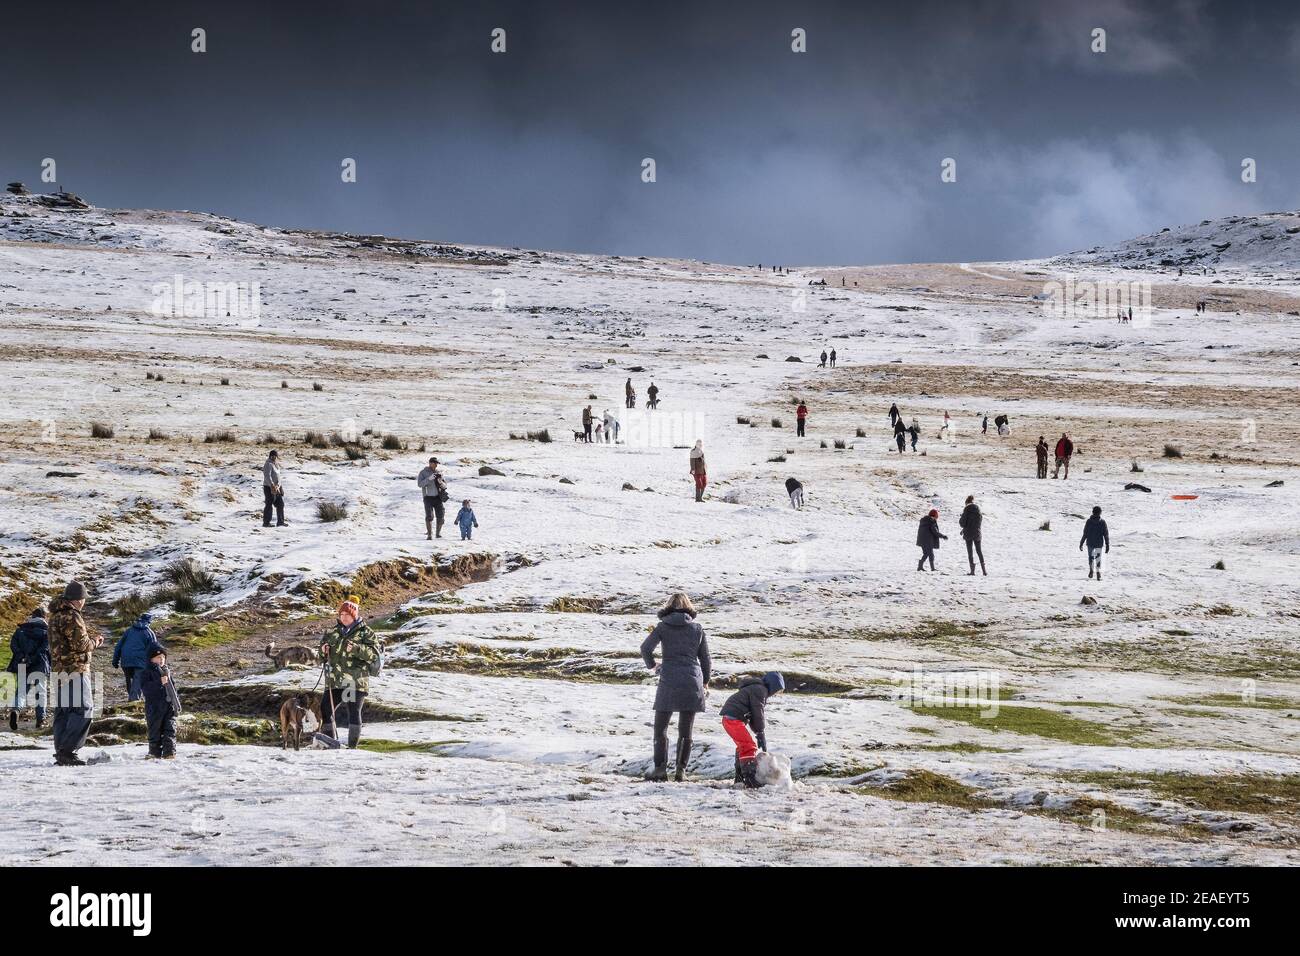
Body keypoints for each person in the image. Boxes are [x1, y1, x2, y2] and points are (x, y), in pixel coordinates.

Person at [639, 593, 711, 782]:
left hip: (669, 679)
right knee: (686, 730)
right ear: (688, 607)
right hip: (692, 680)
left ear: (669, 607)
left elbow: (645, 648)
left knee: (660, 728)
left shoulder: (663, 627)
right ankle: (681, 771)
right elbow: (705, 658)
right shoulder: (697, 629)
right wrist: (705, 682)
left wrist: (653, 666)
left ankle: (660, 770)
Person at [48, 581, 102, 766]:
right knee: (84, 709)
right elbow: (81, 645)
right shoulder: (73, 616)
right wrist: (95, 641)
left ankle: (61, 750)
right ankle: (69, 751)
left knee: (64, 712)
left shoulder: (55, 616)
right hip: (75, 670)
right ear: (79, 600)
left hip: (59, 671)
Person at [318, 597, 381, 749]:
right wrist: (322, 650)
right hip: (334, 680)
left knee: (353, 711)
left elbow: (374, 654)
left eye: (347, 614)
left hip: (354, 681)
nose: (343, 617)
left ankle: (352, 747)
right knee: (325, 709)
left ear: (354, 616)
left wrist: (356, 649)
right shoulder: (332, 632)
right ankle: (330, 743)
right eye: (341, 614)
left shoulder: (366, 632)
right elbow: (321, 655)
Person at [719, 671, 784, 789]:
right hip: (733, 719)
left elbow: (754, 716)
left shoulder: (757, 688)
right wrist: (760, 732)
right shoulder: (760, 690)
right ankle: (750, 780)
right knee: (748, 746)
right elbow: (758, 713)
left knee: (742, 746)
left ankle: (739, 778)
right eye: (777, 690)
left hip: (730, 718)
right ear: (772, 685)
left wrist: (759, 733)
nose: (775, 694)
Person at [6, 606, 49, 730]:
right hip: (39, 664)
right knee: (40, 692)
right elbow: (45, 649)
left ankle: (16, 710)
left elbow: (13, 645)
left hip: (22, 664)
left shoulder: (20, 630)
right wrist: (33, 658)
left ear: (32, 616)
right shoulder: (47, 631)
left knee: (21, 691)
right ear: (44, 617)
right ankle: (41, 720)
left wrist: (22, 657)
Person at [136, 642, 178, 760]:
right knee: (155, 731)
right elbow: (146, 689)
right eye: (158, 657)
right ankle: (154, 753)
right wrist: (159, 682)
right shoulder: (146, 672)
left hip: (169, 706)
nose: (161, 660)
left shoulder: (166, 671)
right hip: (154, 708)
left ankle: (169, 753)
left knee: (170, 729)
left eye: (163, 657)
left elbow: (173, 689)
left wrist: (176, 703)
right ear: (151, 659)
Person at [111, 612, 157, 702]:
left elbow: (118, 646)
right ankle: (134, 701)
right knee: (138, 680)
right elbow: (154, 649)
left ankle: (132, 699)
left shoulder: (129, 630)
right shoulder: (149, 633)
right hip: (140, 661)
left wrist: (115, 660)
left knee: (129, 681)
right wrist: (156, 665)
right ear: (149, 621)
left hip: (126, 660)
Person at [417, 456, 449, 539]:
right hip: (428, 497)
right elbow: (420, 484)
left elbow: (445, 485)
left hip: (438, 497)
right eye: (434, 463)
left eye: (437, 463)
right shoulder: (423, 472)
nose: (436, 465)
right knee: (429, 516)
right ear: (430, 463)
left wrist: (441, 483)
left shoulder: (439, 472)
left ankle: (438, 534)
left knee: (441, 516)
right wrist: (429, 478)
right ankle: (429, 535)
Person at [1080, 506, 1110, 580]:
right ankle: (1098, 572)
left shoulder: (1089, 521)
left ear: (1092, 512)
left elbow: (1085, 533)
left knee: (1091, 557)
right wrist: (1107, 544)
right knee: (1098, 558)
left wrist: (1081, 543)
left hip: (1090, 542)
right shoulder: (1102, 522)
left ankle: (1091, 570)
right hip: (1098, 543)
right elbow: (1106, 534)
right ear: (1100, 513)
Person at [959, 495, 986, 576]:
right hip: (977, 532)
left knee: (970, 552)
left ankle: (972, 571)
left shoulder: (966, 510)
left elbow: (962, 523)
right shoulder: (978, 510)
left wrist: (962, 519)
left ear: (967, 502)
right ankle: (984, 571)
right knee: (979, 551)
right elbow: (978, 522)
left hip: (968, 533)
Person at [262, 450, 285, 528]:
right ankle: (266, 523)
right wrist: (272, 485)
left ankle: (280, 522)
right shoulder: (268, 464)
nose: (274, 457)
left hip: (277, 488)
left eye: (275, 456)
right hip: (269, 488)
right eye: (272, 456)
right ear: (270, 456)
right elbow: (267, 476)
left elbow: (278, 477)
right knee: (269, 504)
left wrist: (280, 486)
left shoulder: (276, 464)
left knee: (280, 504)